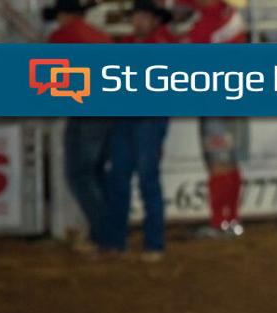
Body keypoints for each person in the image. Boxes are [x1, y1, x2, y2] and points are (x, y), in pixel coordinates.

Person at [101, 0, 174, 261]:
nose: (138, 21)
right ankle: (128, 242)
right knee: (122, 178)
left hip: (146, 118)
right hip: (136, 118)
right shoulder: (141, 42)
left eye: (144, 16)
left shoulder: (158, 44)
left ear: (155, 20)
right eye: (137, 16)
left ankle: (145, 243)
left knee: (141, 178)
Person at [43, 0, 113, 255]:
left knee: (80, 174)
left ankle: (103, 234)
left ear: (63, 15)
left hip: (84, 111)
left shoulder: (61, 36)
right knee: (95, 173)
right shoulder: (101, 36)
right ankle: (108, 232)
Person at [178, 0, 249, 238]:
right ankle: (231, 220)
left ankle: (221, 221)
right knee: (229, 160)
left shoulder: (212, 21)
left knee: (219, 162)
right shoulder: (229, 18)